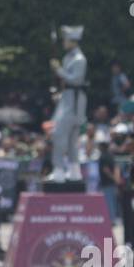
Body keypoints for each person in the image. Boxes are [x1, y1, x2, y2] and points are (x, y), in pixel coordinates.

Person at [49, 25, 87, 182]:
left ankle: (59, 169)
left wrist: (59, 70)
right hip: (67, 98)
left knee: (60, 134)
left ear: (72, 41)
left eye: (66, 39)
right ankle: (73, 170)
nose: (63, 42)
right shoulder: (67, 58)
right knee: (69, 138)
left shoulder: (80, 59)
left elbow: (76, 79)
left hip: (74, 101)